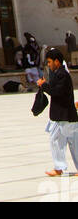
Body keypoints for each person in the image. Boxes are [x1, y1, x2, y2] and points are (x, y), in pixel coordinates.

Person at [36, 48, 78, 177]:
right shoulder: (61, 74)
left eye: (49, 62)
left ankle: (59, 168)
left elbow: (57, 92)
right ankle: (60, 168)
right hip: (68, 116)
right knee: (73, 143)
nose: (48, 64)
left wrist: (43, 85)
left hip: (63, 117)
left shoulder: (62, 75)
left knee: (56, 141)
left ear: (57, 61)